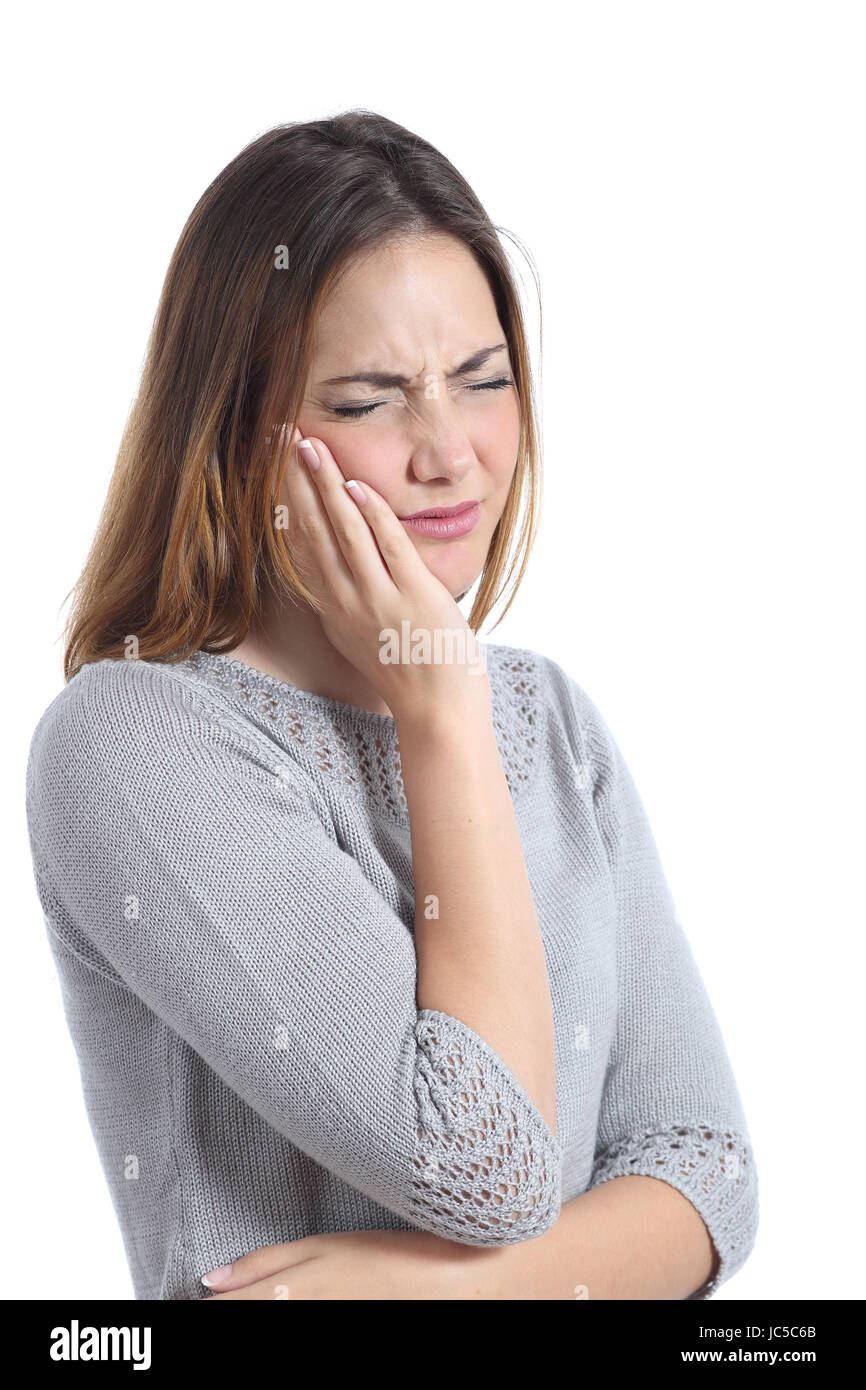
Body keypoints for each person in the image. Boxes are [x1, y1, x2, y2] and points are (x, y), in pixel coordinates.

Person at [25, 110, 758, 1300]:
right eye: (369, 400)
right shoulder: (130, 742)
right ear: (235, 438)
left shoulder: (549, 722)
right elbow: (487, 1166)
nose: (448, 452)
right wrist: (440, 706)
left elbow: (705, 1174)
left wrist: (428, 1293)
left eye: (482, 382)